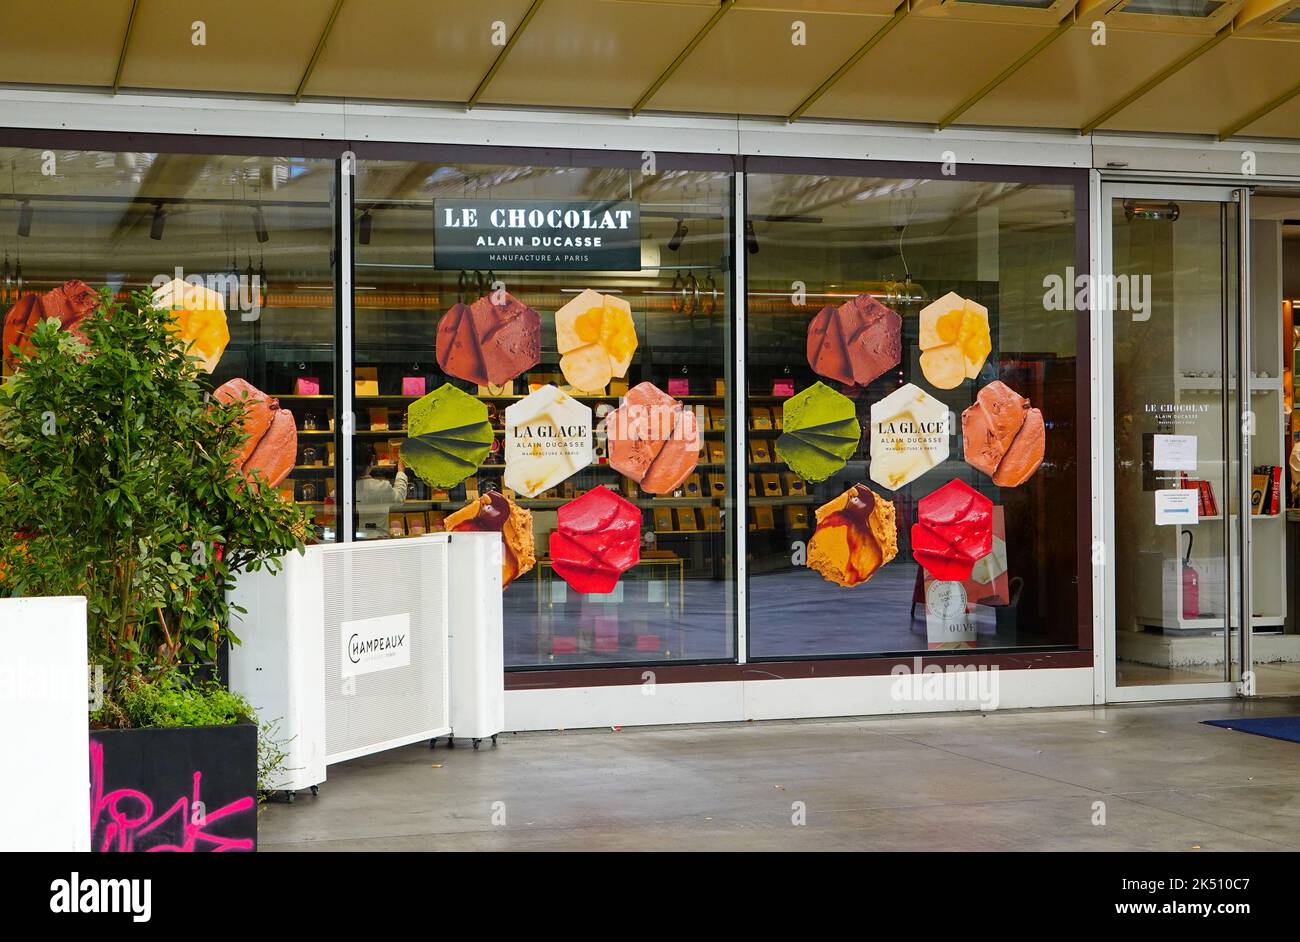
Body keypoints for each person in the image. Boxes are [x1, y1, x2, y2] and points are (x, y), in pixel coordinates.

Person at [354, 442, 409, 538]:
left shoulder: (341, 491)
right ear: (371, 463)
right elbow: (399, 497)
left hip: (352, 542)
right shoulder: (382, 487)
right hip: (378, 540)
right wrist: (401, 471)